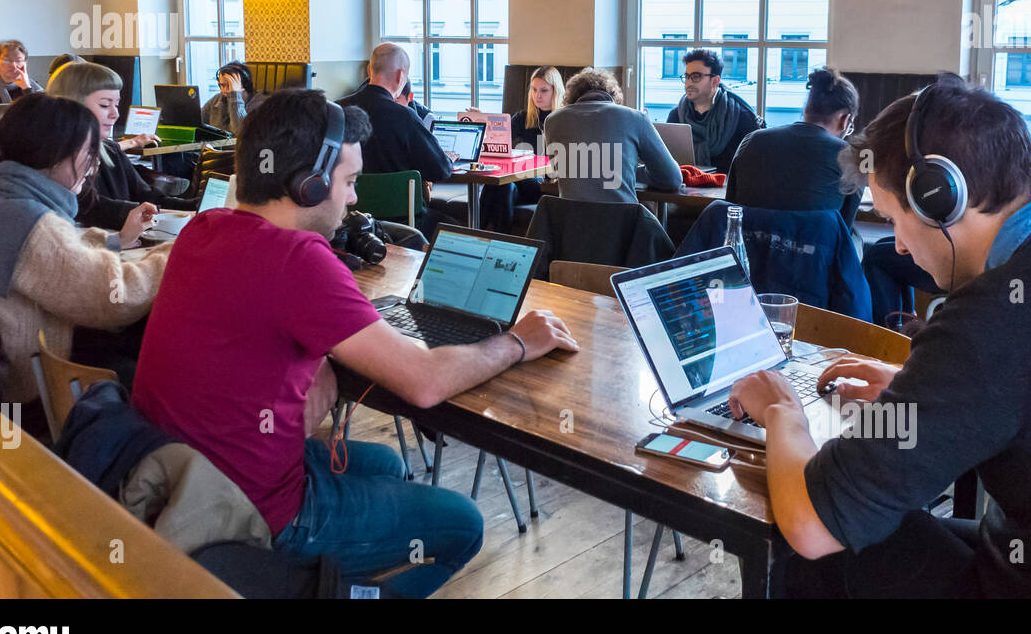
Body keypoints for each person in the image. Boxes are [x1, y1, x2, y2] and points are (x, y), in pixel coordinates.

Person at [728, 74, 1031, 598]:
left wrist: (782, 409)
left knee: (819, 539)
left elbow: (812, 526)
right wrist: (923, 388)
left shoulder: (996, 312)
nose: (898, 246)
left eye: (892, 219)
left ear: (938, 199)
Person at [132, 88, 579, 597]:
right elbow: (425, 383)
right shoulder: (298, 258)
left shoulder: (203, 228)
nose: (353, 199)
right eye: (348, 182)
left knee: (388, 464)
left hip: (181, 480)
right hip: (250, 509)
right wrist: (517, 342)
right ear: (308, 184)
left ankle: (327, 584)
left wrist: (317, 355)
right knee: (462, 524)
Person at [0, 94, 168, 403]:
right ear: (55, 156)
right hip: (23, 390)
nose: (95, 163)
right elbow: (114, 299)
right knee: (149, 361)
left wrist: (112, 241)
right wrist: (175, 254)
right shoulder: (24, 217)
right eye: (89, 151)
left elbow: (46, 255)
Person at [47, 61, 194, 231]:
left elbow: (147, 195)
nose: (115, 114)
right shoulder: (54, 161)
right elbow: (98, 209)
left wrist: (196, 206)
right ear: (74, 106)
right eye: (104, 105)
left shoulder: (110, 150)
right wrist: (185, 215)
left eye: (116, 105)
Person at [338, 43, 453, 239]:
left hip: (351, 219)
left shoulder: (338, 110)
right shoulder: (404, 116)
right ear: (400, 76)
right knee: (455, 228)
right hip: (405, 222)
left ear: (370, 70)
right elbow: (440, 170)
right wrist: (448, 158)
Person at [726, 66, 861, 228]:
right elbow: (845, 228)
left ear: (806, 110)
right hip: (815, 244)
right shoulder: (848, 156)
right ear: (844, 119)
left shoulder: (751, 141)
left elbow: (730, 208)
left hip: (749, 242)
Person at [542, 68, 681, 204]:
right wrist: (627, 171)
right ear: (613, 95)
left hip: (570, 217)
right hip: (623, 218)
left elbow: (559, 173)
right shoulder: (635, 118)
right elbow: (672, 179)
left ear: (571, 97)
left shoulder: (552, 121)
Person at [478, 65, 564, 232]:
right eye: (534, 89)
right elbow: (498, 140)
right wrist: (482, 121)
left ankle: (476, 232)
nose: (537, 95)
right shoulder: (523, 117)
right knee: (504, 187)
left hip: (546, 183)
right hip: (522, 182)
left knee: (502, 181)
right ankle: (499, 237)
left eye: (544, 90)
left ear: (556, 91)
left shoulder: (563, 119)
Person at [666, 49, 762, 174]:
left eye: (696, 77)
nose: (688, 83)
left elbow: (755, 165)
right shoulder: (676, 116)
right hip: (683, 184)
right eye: (687, 77)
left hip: (729, 185)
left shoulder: (741, 117)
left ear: (715, 81)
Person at [201, 61, 266, 134]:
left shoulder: (260, 104)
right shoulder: (217, 99)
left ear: (245, 84)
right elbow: (197, 121)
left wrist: (235, 96)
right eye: (222, 85)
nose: (225, 90)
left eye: (230, 85)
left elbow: (241, 133)